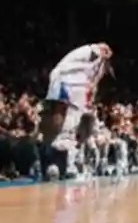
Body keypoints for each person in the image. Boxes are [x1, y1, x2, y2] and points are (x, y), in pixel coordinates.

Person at [40, 42, 112, 179]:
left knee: (77, 123)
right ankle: (61, 163)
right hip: (66, 82)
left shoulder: (87, 73)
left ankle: (69, 161)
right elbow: (99, 51)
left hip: (68, 83)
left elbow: (93, 86)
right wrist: (102, 50)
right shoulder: (95, 53)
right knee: (69, 124)